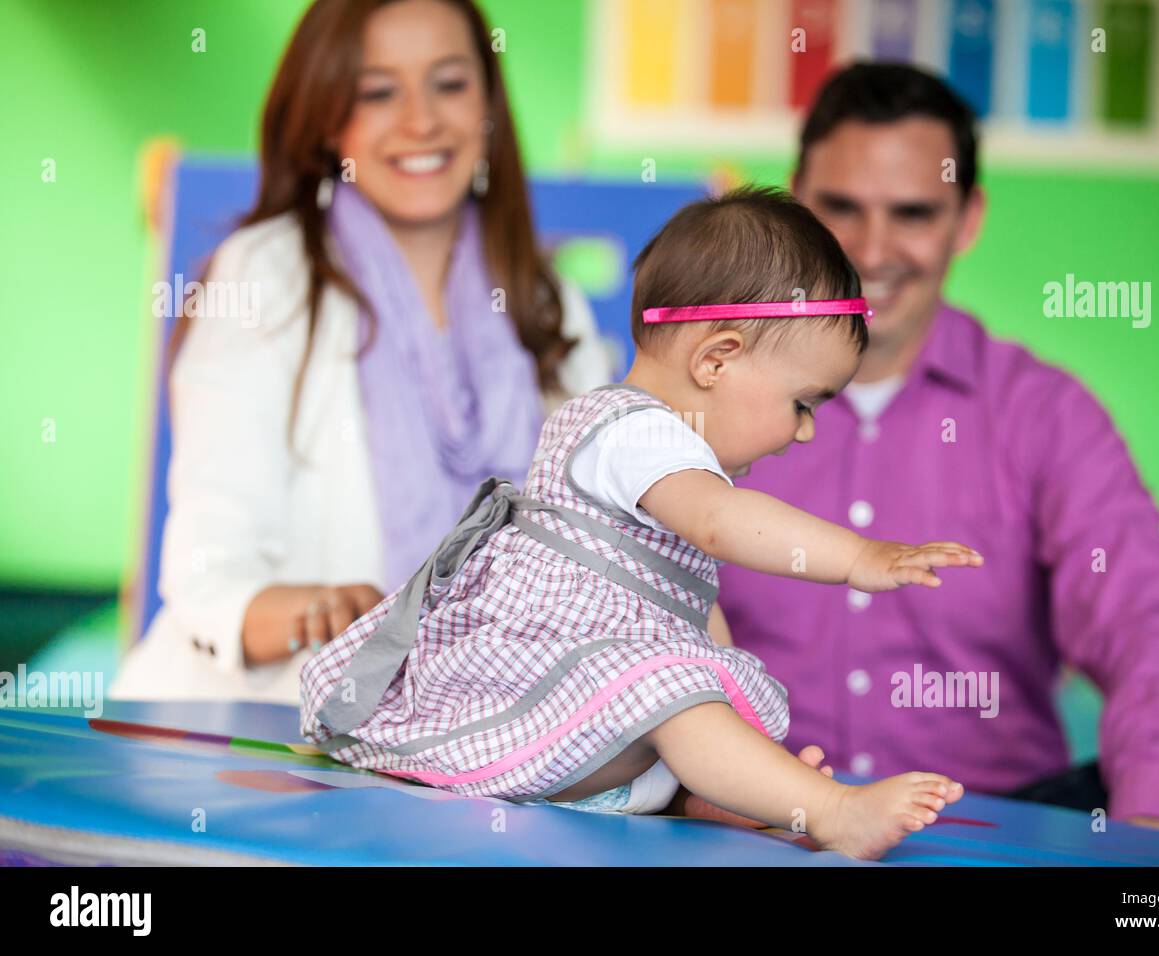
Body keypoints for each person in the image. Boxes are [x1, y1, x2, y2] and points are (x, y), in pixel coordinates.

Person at [300, 187, 982, 860]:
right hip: (535, 694)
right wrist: (859, 557)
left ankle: (728, 796)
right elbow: (721, 525)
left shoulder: (665, 458)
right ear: (715, 359)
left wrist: (751, 750)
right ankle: (837, 814)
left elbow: (689, 611)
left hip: (584, 728)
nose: (804, 434)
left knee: (694, 687)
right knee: (674, 695)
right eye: (802, 403)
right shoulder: (633, 431)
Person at [717, 63, 1159, 837]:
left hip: (998, 827)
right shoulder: (706, 398)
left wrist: (1148, 849)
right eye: (841, 208)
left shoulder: (1045, 413)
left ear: (967, 218)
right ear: (795, 200)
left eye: (914, 213)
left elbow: (1153, 629)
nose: (872, 248)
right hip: (755, 820)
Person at [111, 0, 610, 704]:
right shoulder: (266, 277)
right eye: (377, 91)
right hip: (261, 727)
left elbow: (601, 551)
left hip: (485, 733)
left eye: (450, 83)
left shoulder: (548, 299)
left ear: (489, 107)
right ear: (324, 118)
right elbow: (206, 577)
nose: (421, 121)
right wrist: (322, 612)